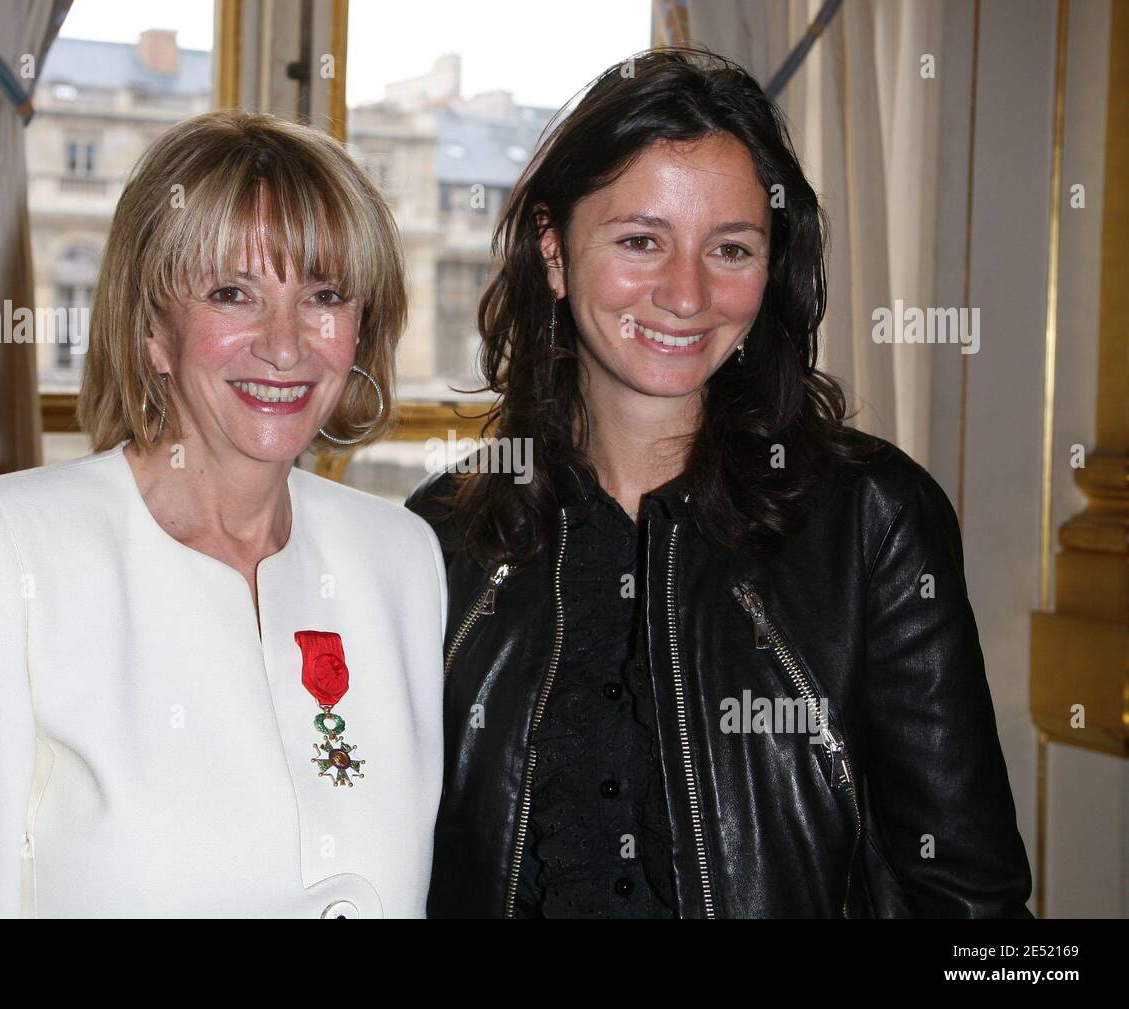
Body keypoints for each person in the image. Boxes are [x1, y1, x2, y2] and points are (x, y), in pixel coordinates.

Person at [406, 47, 1032, 918]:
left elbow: (971, 907)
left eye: (730, 248)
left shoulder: (873, 522)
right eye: (639, 240)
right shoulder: (438, 537)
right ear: (552, 251)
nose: (687, 292)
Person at [0, 109, 446, 918]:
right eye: (231, 293)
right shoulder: (1, 547)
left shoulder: (403, 557)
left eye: (323, 294)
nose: (286, 345)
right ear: (151, 332)